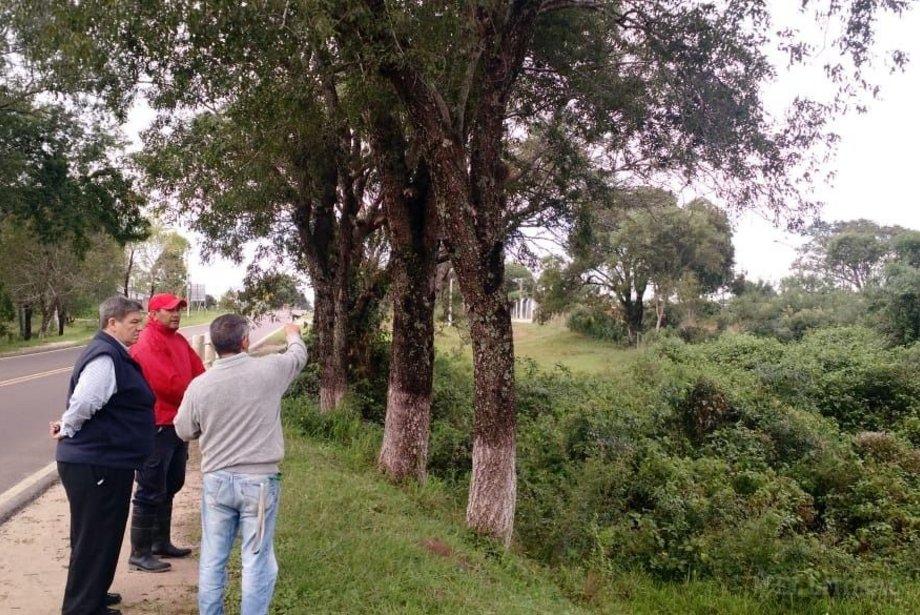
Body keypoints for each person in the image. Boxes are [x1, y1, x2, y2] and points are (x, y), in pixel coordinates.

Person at [175, 315, 307, 615]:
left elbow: (183, 430)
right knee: (256, 561)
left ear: (214, 344)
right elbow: (298, 356)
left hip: (217, 482)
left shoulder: (199, 385)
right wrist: (292, 334)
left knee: (212, 560)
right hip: (259, 484)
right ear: (245, 341)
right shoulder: (270, 369)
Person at [50, 296, 154, 615]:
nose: (140, 329)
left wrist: (68, 424)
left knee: (102, 533)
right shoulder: (106, 356)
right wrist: (67, 426)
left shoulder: (113, 354)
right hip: (97, 463)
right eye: (134, 322)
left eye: (141, 322)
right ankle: (82, 607)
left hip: (107, 461)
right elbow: (85, 402)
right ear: (112, 323)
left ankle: (93, 593)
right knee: (94, 537)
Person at [128, 293, 205, 573]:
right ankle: (140, 551)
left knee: (171, 483)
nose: (176, 315)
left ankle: (161, 542)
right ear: (154, 313)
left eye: (178, 310)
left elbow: (199, 371)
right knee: (150, 487)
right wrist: (194, 400)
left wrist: (200, 396)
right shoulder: (147, 340)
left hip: (177, 424)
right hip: (157, 425)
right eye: (170, 310)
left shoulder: (179, 339)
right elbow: (166, 384)